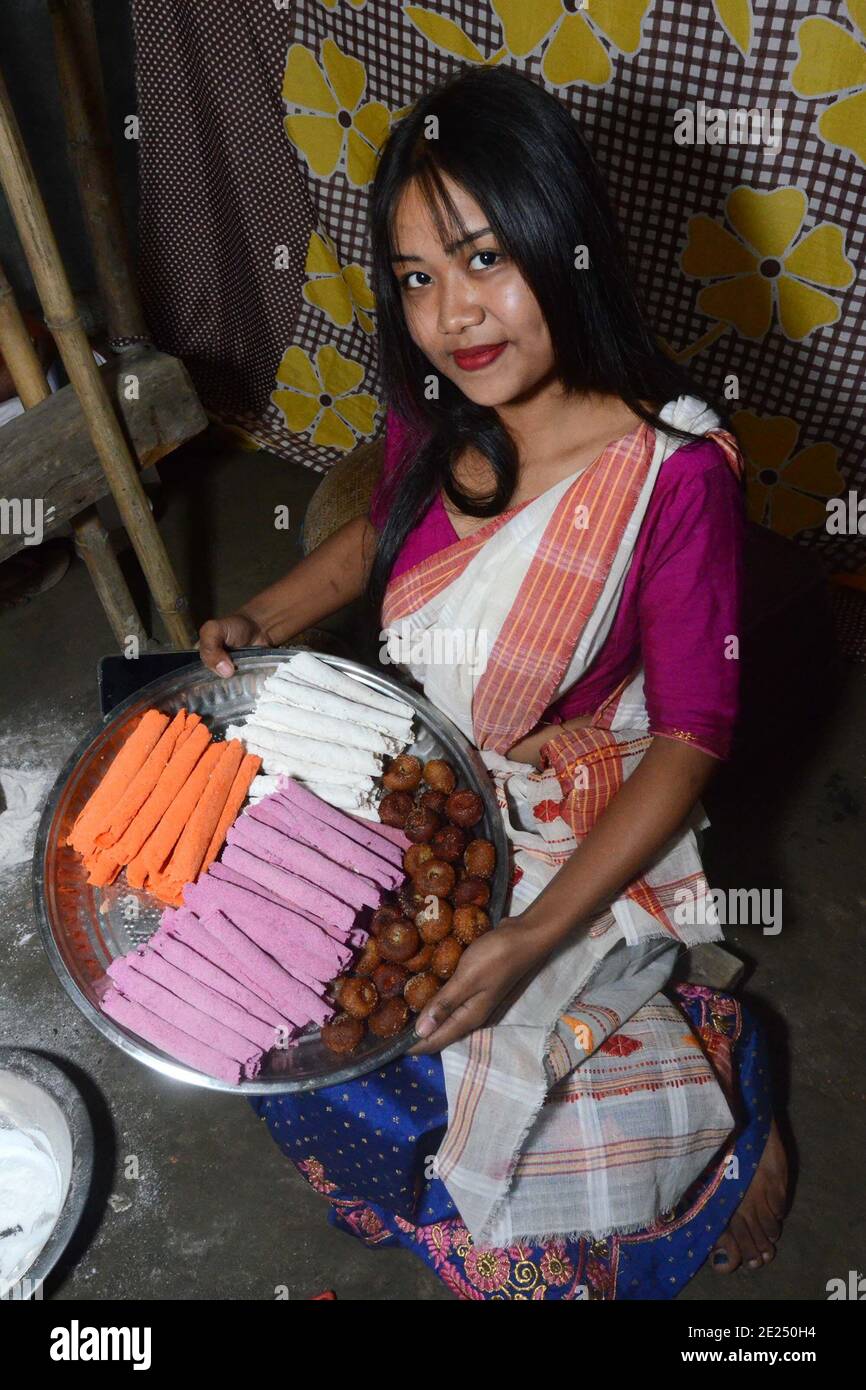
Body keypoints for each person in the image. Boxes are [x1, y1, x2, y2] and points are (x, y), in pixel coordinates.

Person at [199, 65, 786, 1300]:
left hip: (567, 804)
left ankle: (725, 1072)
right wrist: (262, 617)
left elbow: (691, 734)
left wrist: (528, 933)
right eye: (414, 276)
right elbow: (378, 534)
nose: (449, 315)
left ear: (563, 245)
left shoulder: (668, 472)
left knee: (511, 1152)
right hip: (418, 765)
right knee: (278, 985)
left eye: (481, 259)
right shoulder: (440, 406)